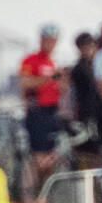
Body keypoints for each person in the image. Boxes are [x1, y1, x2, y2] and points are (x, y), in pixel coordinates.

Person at [20, 23, 65, 193]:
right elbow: (25, 83)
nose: (50, 44)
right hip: (37, 112)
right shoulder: (31, 60)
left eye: (53, 41)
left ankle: (44, 198)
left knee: (51, 159)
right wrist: (47, 79)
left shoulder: (54, 62)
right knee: (37, 159)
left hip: (52, 113)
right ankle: (29, 197)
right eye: (47, 40)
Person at [68, 32, 101, 167]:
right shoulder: (79, 69)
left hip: (94, 115)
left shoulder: (94, 66)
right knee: (84, 153)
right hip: (84, 117)